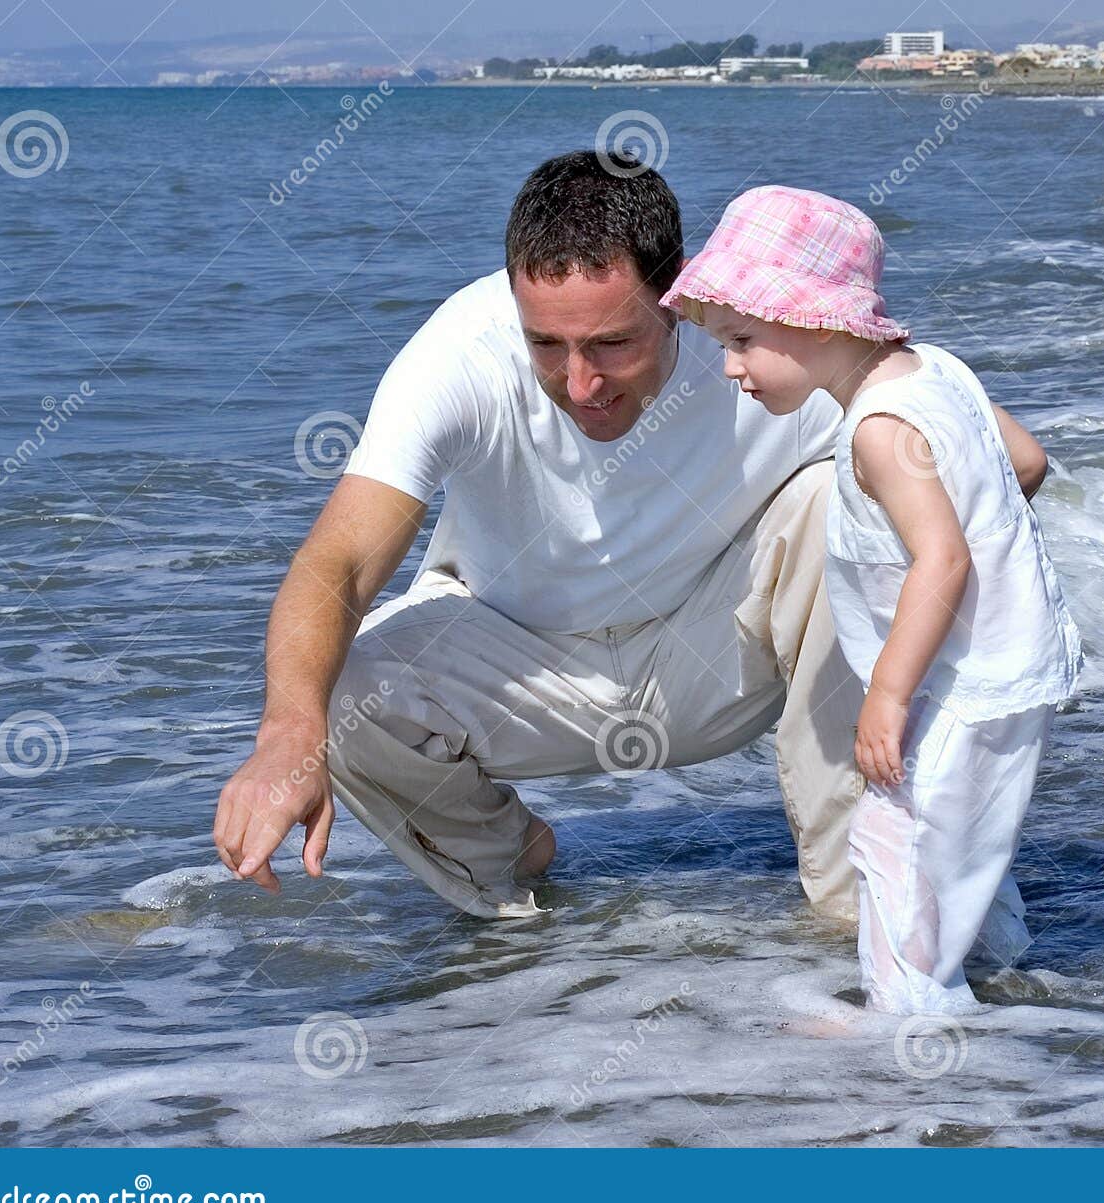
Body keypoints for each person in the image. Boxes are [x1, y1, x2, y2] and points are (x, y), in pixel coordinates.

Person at [212, 151, 882, 922]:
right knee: (337, 693)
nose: (580, 385)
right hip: (524, 664)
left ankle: (854, 911)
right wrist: (286, 738)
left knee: (848, 495)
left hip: (717, 655)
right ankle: (516, 907)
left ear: (677, 300)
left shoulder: (761, 343)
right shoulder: (459, 353)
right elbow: (341, 561)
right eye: (546, 347)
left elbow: (978, 460)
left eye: (610, 345)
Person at [659, 186, 1084, 1014]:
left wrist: (886, 697)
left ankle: (903, 1022)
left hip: (955, 681)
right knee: (954, 839)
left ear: (818, 321)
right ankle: (994, 965)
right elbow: (1025, 463)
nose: (730, 367)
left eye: (743, 340)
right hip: (999, 664)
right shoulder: (941, 373)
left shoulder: (877, 430)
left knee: (891, 839)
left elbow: (942, 560)